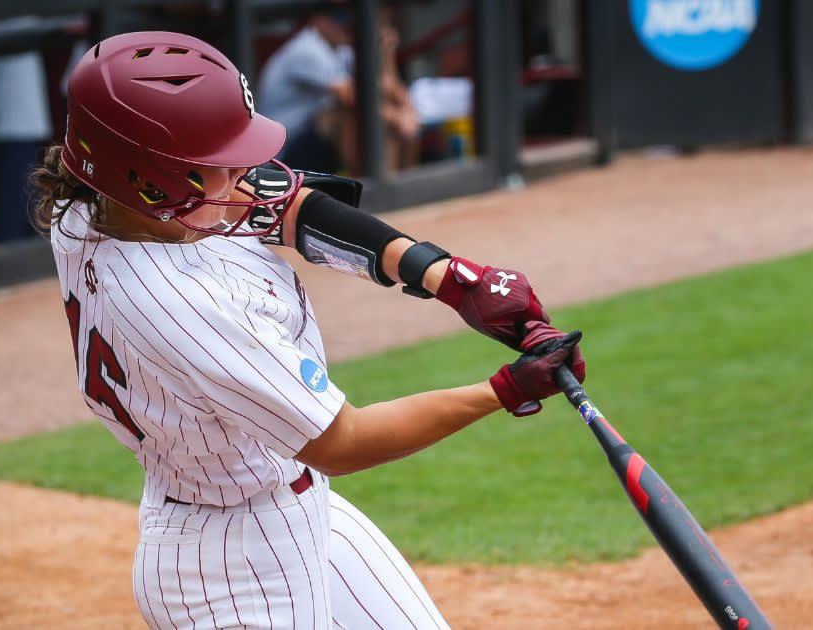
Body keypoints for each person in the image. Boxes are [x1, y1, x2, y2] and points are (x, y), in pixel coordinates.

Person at [31, 32, 583, 629]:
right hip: (233, 569)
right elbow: (342, 442)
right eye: (215, 162)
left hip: (299, 513)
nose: (244, 172)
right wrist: (505, 389)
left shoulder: (97, 207)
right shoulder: (183, 304)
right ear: (148, 179)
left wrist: (446, 276)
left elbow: (285, 203)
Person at [257, 11, 418, 175]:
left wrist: (386, 54)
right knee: (348, 113)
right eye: (339, 19)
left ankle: (399, 183)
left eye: (348, 20)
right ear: (318, 20)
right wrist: (397, 118)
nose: (345, 26)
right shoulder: (306, 49)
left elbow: (382, 87)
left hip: (311, 137)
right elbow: (353, 97)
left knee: (389, 112)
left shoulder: (340, 48)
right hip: (283, 150)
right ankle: (369, 184)